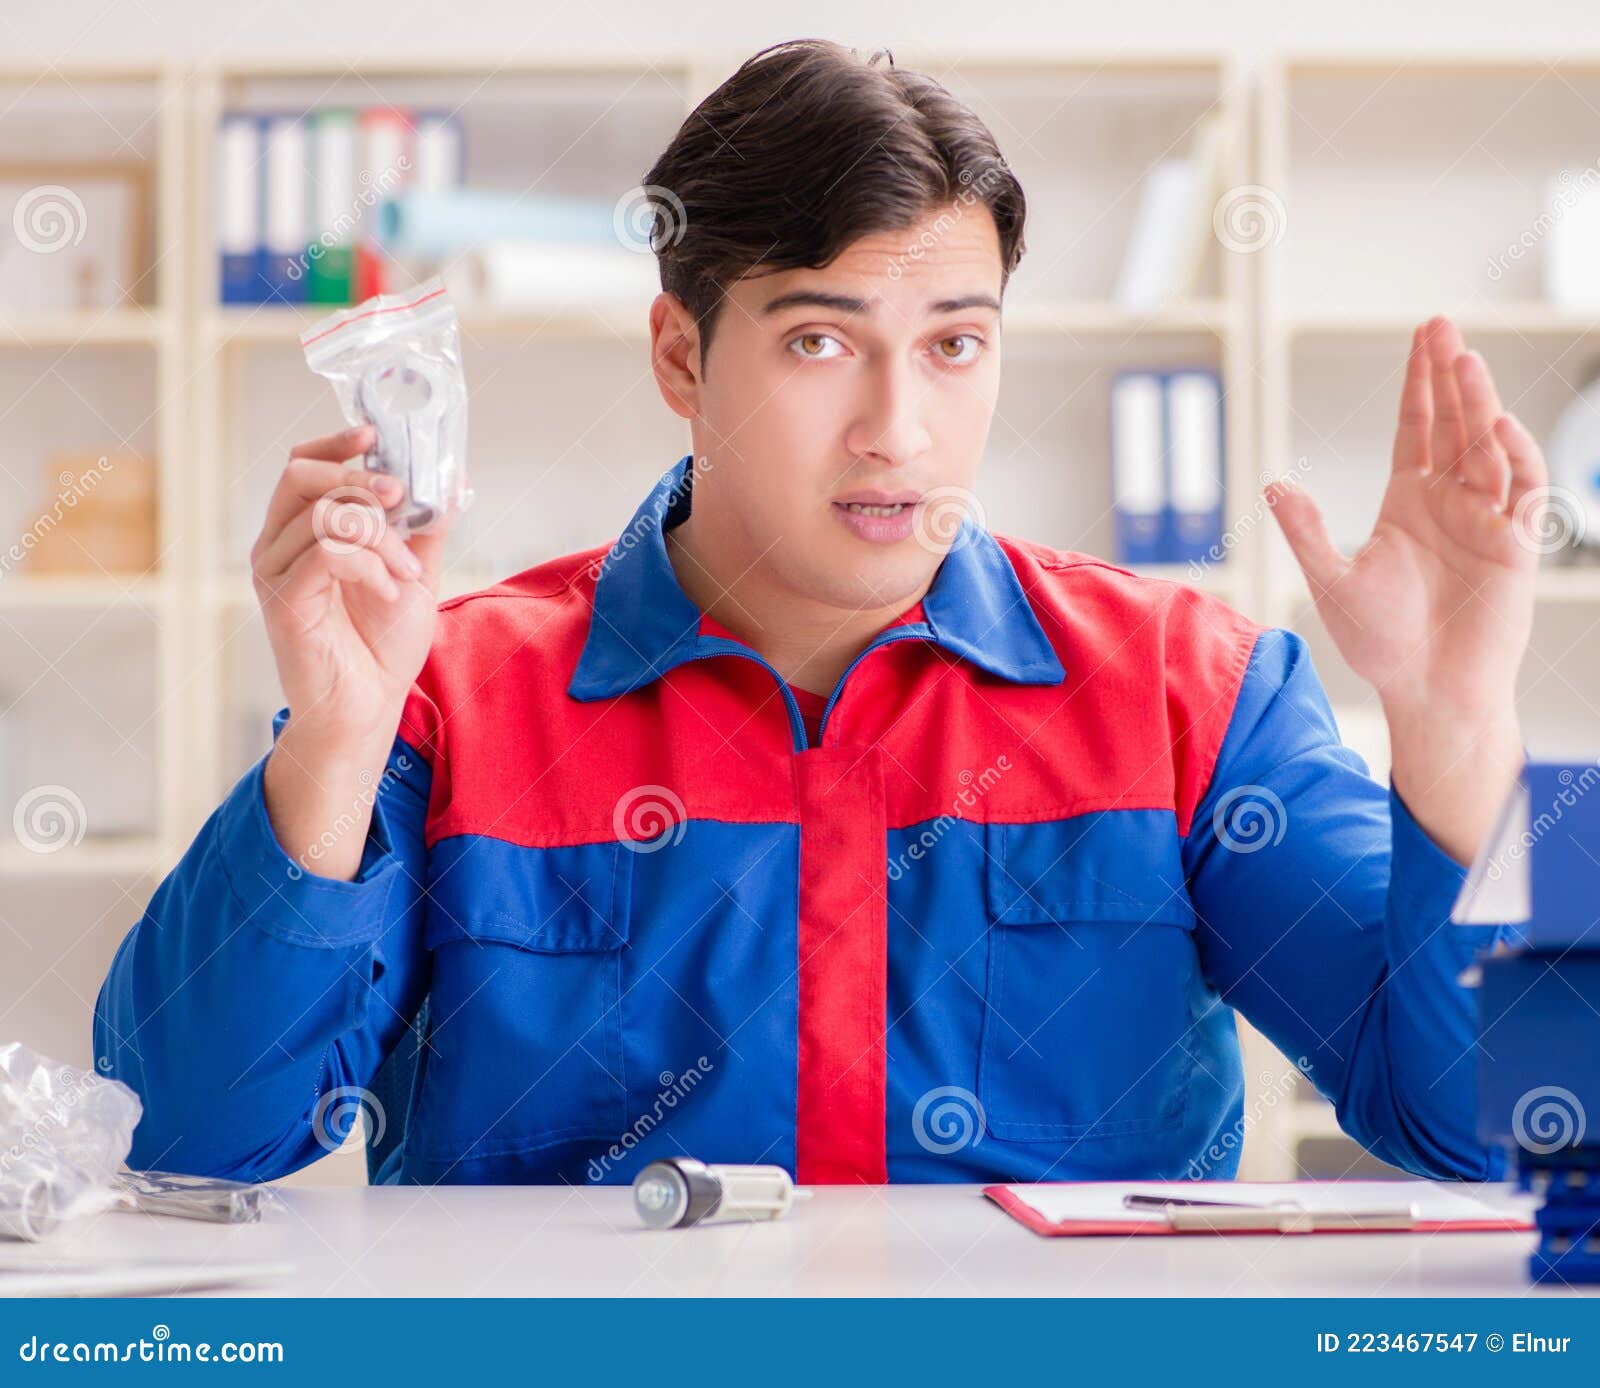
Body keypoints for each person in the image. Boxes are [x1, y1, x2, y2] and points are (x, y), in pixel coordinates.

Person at [94, 39, 1540, 1186]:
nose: (897, 430)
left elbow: (1494, 1124)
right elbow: (181, 1136)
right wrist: (334, 745)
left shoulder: (1193, 690)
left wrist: (1461, 725)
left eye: (955, 345)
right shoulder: (451, 693)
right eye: (819, 342)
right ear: (681, 355)